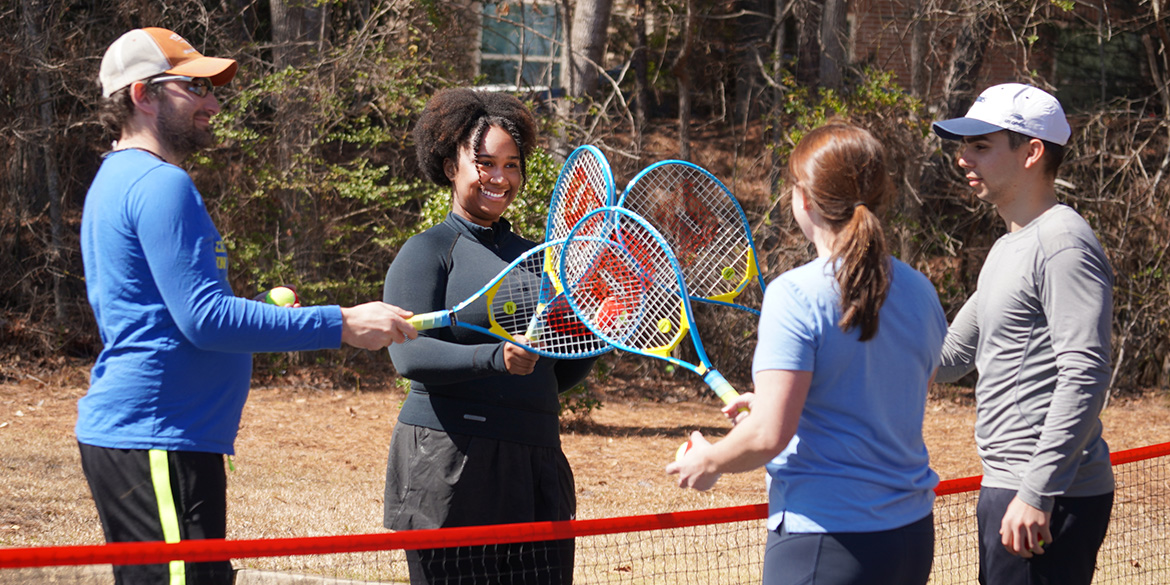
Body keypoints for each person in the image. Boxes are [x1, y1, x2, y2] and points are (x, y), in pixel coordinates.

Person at [80, 27, 418, 585]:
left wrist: (263, 311)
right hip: (158, 436)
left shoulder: (118, 178)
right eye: (195, 87)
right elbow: (205, 320)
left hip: (159, 437)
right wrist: (342, 323)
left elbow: (174, 314)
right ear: (142, 95)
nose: (213, 103)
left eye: (211, 89)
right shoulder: (161, 185)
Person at [667, 123, 946, 585]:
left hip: (826, 541)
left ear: (805, 199)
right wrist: (784, 400)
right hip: (910, 538)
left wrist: (708, 460)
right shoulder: (922, 291)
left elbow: (769, 435)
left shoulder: (794, 294)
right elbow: (895, 396)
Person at [382, 88, 596, 584]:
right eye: (485, 163)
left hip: (536, 458)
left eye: (511, 165)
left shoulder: (542, 259)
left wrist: (598, 329)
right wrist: (495, 358)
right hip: (449, 459)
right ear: (449, 166)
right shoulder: (428, 250)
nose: (500, 177)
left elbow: (555, 374)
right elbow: (407, 356)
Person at [931, 83, 1115, 585]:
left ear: (1032, 152)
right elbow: (949, 359)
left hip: (1047, 497)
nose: (963, 159)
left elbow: (1086, 373)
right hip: (1011, 487)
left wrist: (1037, 491)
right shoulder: (1008, 246)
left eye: (980, 146)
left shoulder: (1062, 243)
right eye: (964, 146)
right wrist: (864, 327)